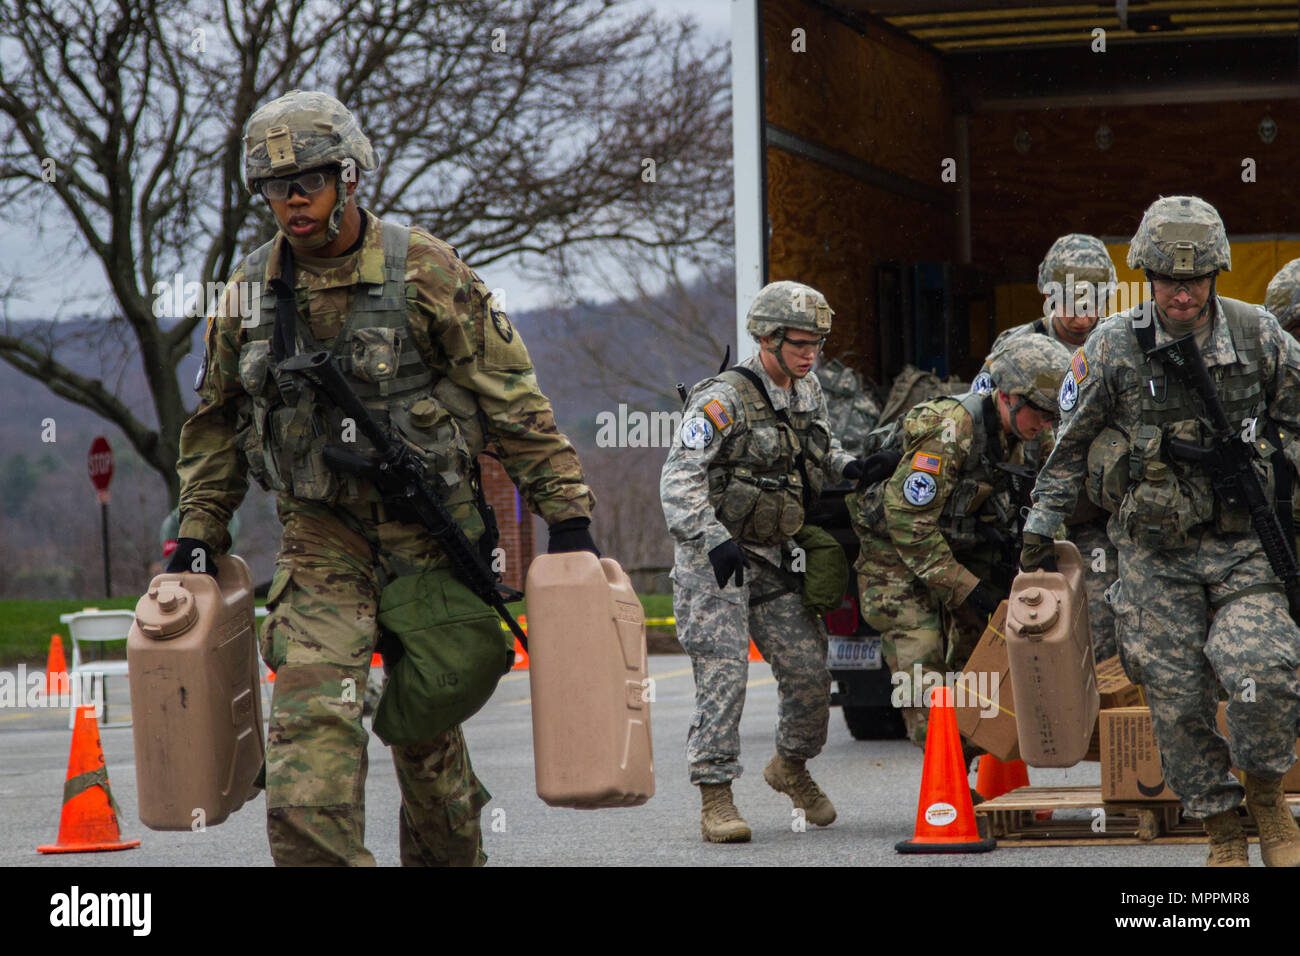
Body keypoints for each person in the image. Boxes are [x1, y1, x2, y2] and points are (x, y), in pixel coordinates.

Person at [169, 89, 597, 866]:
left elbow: (511, 398)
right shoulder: (245, 298)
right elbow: (215, 426)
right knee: (308, 744)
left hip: (430, 532)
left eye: (308, 181)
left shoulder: (426, 269)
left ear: (351, 176)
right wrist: (197, 534)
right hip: (320, 541)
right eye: (273, 187)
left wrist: (567, 517)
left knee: (430, 756)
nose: (291, 202)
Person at [1021, 195, 1300, 867]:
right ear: (1147, 275)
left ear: (1216, 274)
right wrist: (1040, 524)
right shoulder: (1114, 347)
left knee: (1265, 669)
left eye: (1197, 278)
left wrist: (1274, 466)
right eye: (1170, 280)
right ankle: (1221, 829)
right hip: (1153, 555)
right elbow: (1070, 446)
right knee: (1175, 701)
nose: (1183, 292)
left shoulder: (1259, 335)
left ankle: (1266, 793)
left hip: (1243, 548)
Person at [660, 281, 868, 843]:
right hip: (715, 560)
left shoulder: (808, 390)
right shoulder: (721, 399)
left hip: (773, 557)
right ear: (767, 339)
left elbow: (820, 454)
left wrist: (853, 469)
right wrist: (710, 538)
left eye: (817, 344)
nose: (811, 354)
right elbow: (678, 478)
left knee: (809, 673)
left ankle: (791, 766)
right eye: (801, 344)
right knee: (723, 677)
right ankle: (716, 797)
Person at [852, 334, 1071, 749]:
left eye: (1053, 415)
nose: (1046, 424)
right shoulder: (950, 431)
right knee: (924, 669)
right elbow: (909, 525)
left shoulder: (1035, 435)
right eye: (1040, 413)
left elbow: (1051, 498)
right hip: (897, 560)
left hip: (955, 551)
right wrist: (969, 591)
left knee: (980, 668)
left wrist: (1048, 564)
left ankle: (968, 768)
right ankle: (944, 793)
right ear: (1007, 397)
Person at [977, 234, 1120, 661]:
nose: (1083, 316)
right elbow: (986, 425)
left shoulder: (1122, 345)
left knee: (1104, 633)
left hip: (1098, 516)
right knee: (1033, 633)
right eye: (1071, 303)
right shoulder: (1014, 350)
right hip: (1030, 514)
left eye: (1093, 302)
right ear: (1047, 295)